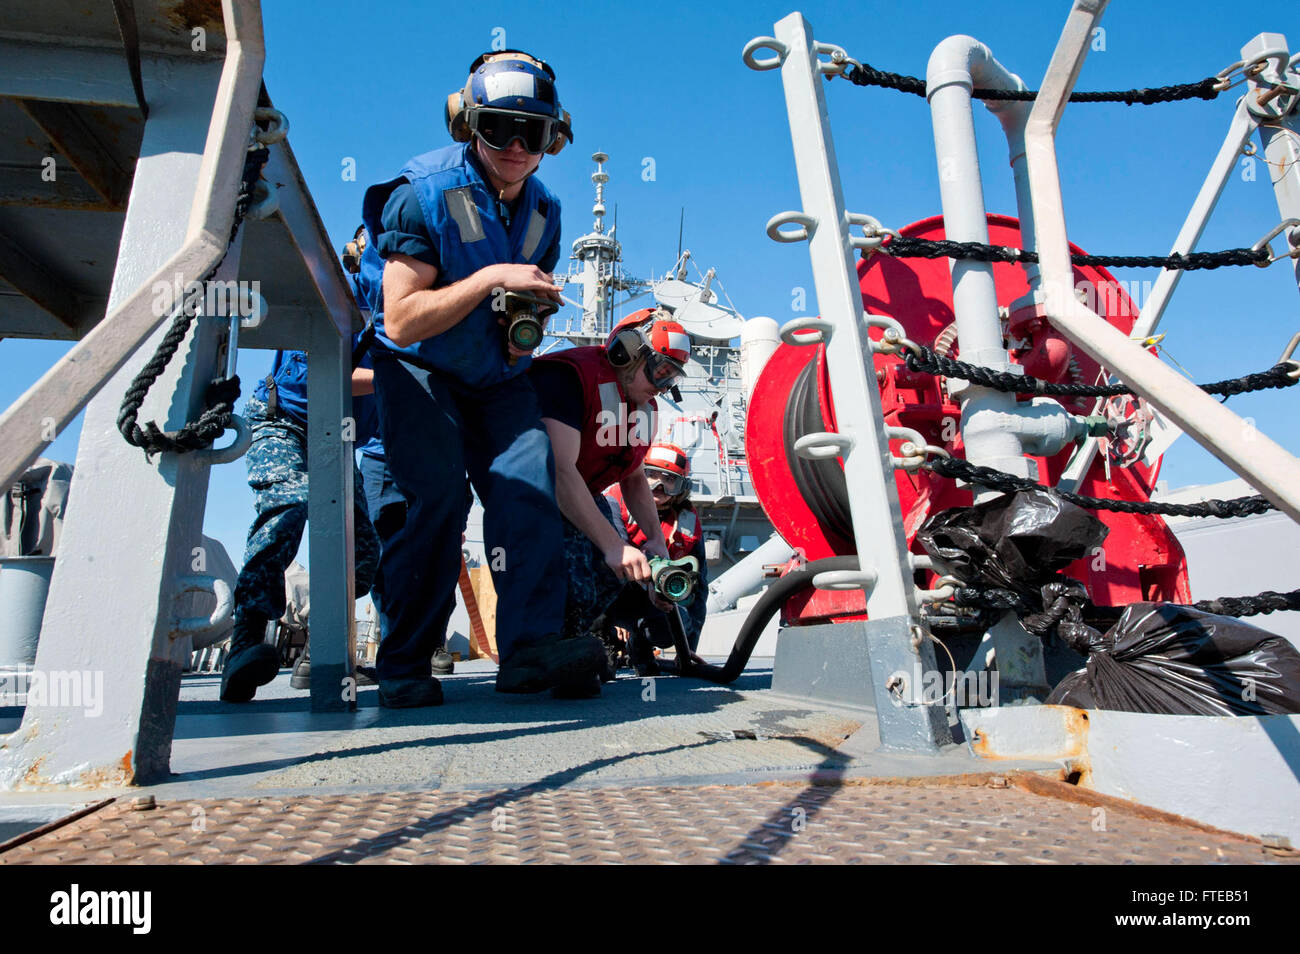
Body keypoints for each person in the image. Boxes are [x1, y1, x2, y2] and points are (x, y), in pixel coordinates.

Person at [359, 49, 605, 708]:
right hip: (420, 369)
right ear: (467, 124)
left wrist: (524, 309)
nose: (519, 147)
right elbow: (404, 320)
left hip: (497, 377)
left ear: (557, 135)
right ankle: (406, 660)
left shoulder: (547, 214)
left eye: (537, 133)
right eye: (500, 129)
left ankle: (527, 650)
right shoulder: (421, 196)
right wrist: (492, 278)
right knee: (438, 499)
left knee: (529, 488)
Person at [529, 308, 692, 691]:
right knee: (583, 568)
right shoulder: (570, 377)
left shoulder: (644, 408)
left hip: (581, 493)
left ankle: (579, 640)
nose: (662, 386)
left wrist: (655, 544)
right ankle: (558, 650)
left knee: (612, 574)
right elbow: (559, 472)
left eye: (671, 377)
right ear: (627, 352)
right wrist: (612, 546)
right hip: (533, 494)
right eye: (660, 371)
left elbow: (634, 477)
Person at [221, 349, 381, 703]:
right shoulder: (354, 297)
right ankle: (245, 642)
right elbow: (315, 373)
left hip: (338, 437)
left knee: (365, 550)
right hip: (282, 418)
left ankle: (320, 649)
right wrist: (395, 378)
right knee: (286, 510)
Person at [603, 441, 710, 675]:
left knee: (671, 624)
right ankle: (603, 640)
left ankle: (640, 642)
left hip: (655, 598)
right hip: (610, 594)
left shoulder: (688, 523)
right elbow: (616, 558)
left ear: (681, 486)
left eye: (669, 479)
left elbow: (699, 588)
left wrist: (687, 650)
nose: (659, 485)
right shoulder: (613, 502)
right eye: (651, 475)